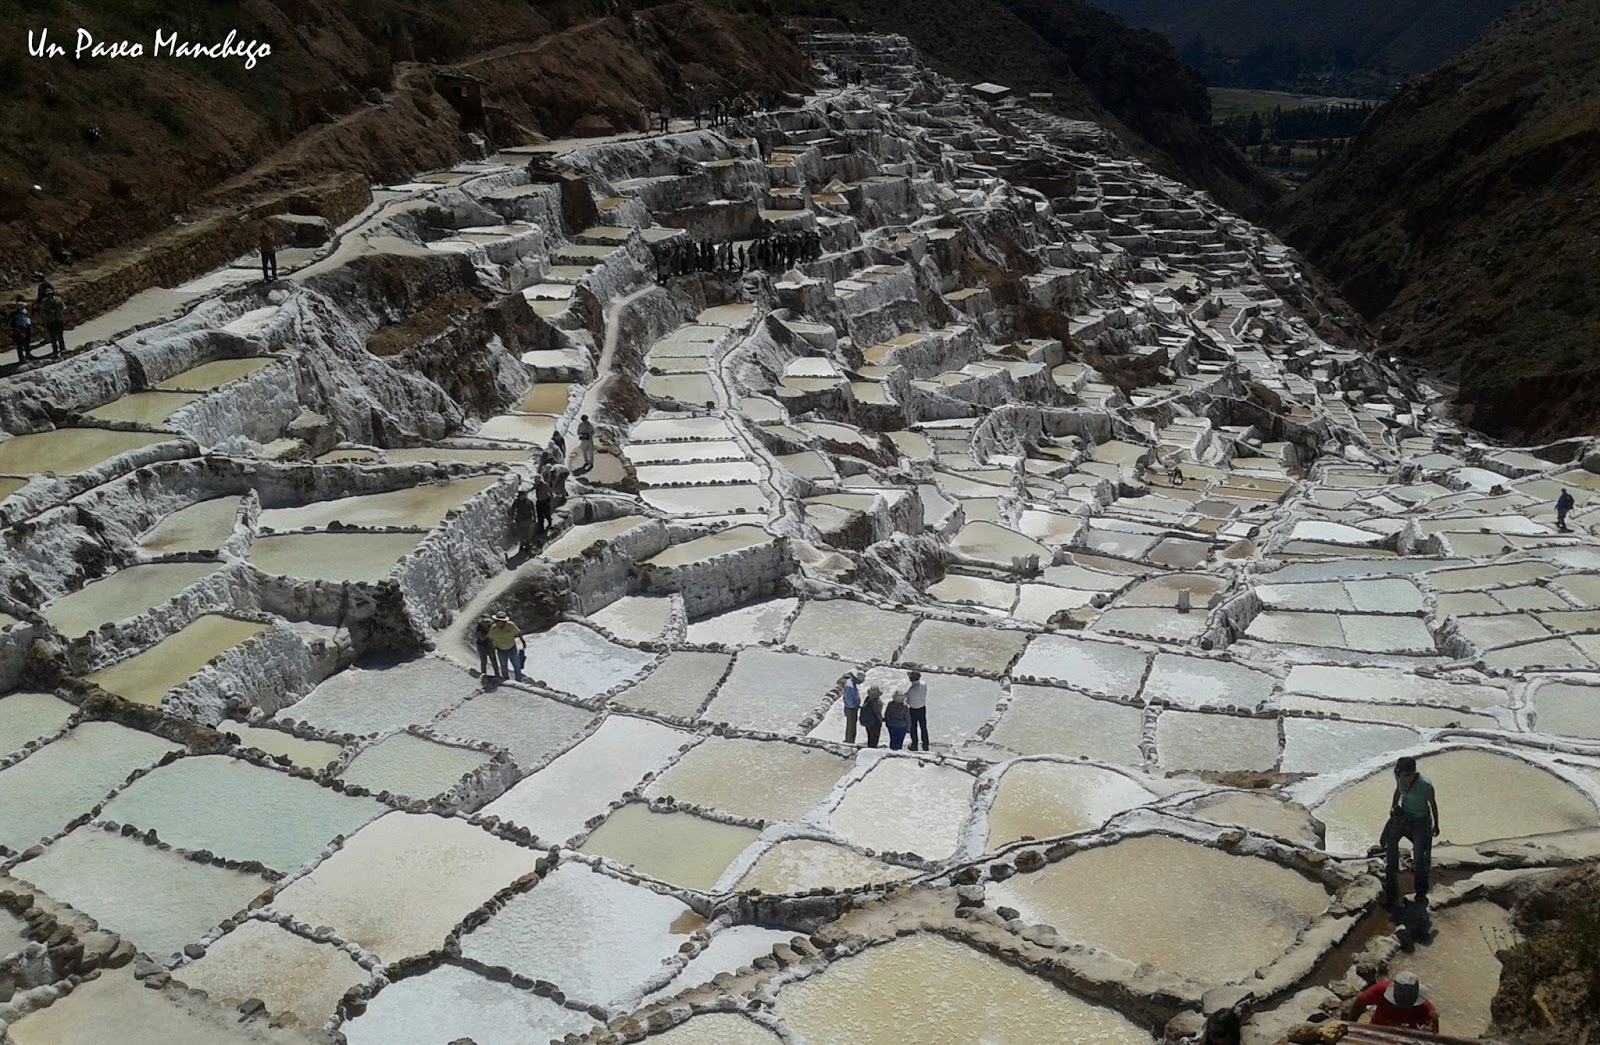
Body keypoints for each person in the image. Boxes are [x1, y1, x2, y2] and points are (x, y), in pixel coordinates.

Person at [1382, 755, 1439, 907]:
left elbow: (1433, 804)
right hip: (1404, 817)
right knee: (1391, 840)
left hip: (1421, 821)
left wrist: (1436, 825)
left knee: (1419, 857)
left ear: (1414, 773)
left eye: (1407, 776)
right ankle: (1392, 871)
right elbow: (1398, 791)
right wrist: (1393, 806)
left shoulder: (1425, 785)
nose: (1404, 779)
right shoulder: (1400, 779)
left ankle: (1421, 892)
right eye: (1401, 776)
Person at [1341, 972, 1439, 1033]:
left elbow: (1433, 1035)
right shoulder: (1380, 991)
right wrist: (1351, 1025)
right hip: (1376, 1030)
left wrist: (1427, 1031)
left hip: (1406, 1037)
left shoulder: (1427, 1010)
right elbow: (1360, 1002)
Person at [486, 612, 524, 682]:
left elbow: (518, 633)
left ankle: (519, 680)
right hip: (501, 650)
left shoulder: (511, 625)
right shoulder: (493, 628)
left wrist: (523, 642)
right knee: (503, 667)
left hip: (512, 648)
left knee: (517, 666)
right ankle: (506, 681)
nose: (499, 622)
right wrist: (491, 648)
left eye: (500, 621)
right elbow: (490, 638)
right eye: (497, 621)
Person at [904, 670, 929, 752]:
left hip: (913, 710)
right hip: (922, 708)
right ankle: (925, 745)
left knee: (913, 728)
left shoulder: (911, 690)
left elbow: (909, 702)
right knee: (923, 727)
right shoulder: (924, 684)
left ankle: (914, 745)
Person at [36, 288, 65, 356]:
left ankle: (62, 348)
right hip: (51, 321)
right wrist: (48, 314)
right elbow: (42, 311)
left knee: (60, 335)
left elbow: (63, 307)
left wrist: (60, 313)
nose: (49, 295)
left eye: (50, 294)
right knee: (53, 336)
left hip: (59, 320)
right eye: (48, 294)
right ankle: (55, 350)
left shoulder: (58, 299)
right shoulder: (44, 302)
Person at [512, 483, 537, 556]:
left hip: (528, 520)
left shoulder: (529, 502)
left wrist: (534, 518)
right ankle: (522, 545)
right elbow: (513, 509)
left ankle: (528, 546)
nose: (523, 497)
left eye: (524, 495)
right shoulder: (516, 502)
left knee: (528, 533)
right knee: (520, 534)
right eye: (522, 496)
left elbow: (533, 510)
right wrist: (512, 518)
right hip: (519, 520)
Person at [841, 672, 861, 744]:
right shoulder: (850, 686)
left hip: (852, 708)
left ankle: (849, 740)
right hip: (851, 709)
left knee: (851, 726)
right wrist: (856, 705)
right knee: (851, 727)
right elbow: (849, 701)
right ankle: (849, 742)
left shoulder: (851, 684)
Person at [534, 472, 554, 540]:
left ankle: (549, 522)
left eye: (536, 480)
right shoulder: (536, 485)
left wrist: (551, 498)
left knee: (546, 513)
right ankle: (541, 528)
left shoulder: (544, 485)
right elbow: (533, 488)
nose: (535, 482)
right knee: (540, 515)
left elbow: (550, 491)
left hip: (545, 500)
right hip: (539, 501)